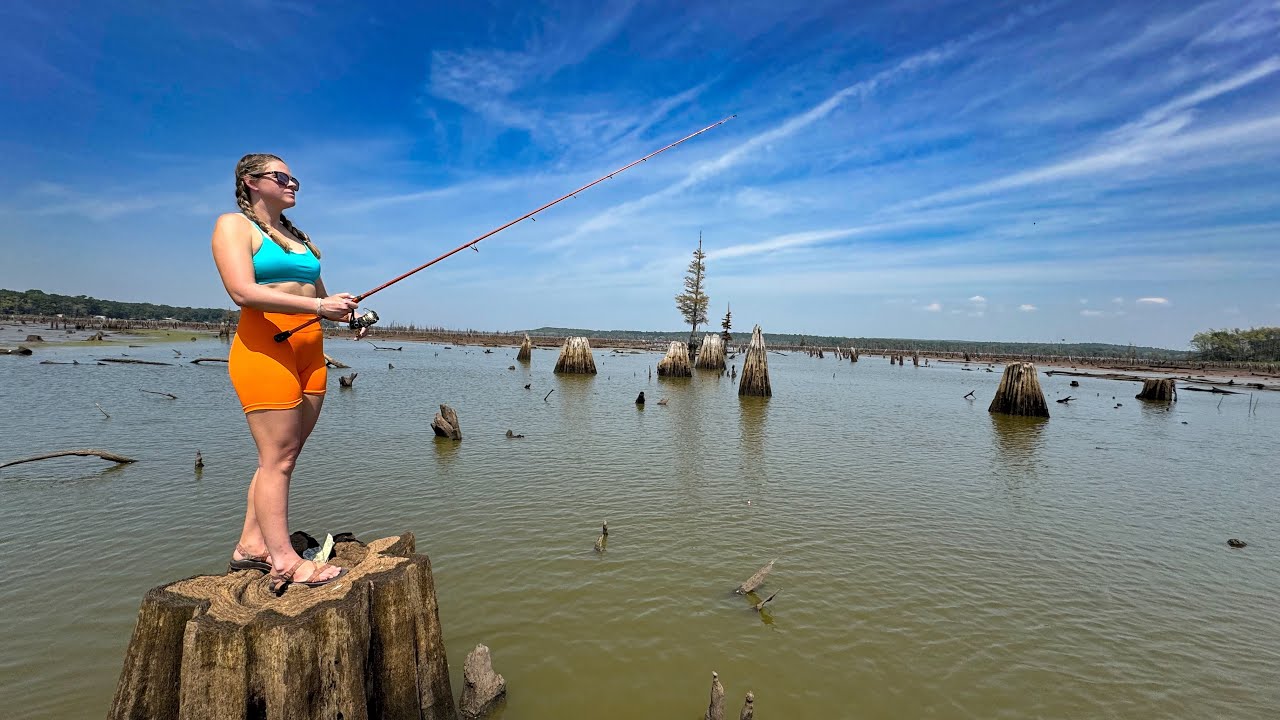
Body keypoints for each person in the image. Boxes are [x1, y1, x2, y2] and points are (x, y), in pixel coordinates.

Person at [211, 153, 367, 594]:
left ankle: (250, 545)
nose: (293, 183)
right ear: (251, 181)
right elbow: (243, 292)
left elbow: (319, 299)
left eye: (294, 177)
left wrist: (347, 316)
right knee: (276, 459)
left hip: (309, 355)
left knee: (282, 457)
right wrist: (320, 306)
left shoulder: (301, 240)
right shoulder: (233, 226)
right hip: (264, 351)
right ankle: (284, 561)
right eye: (282, 176)